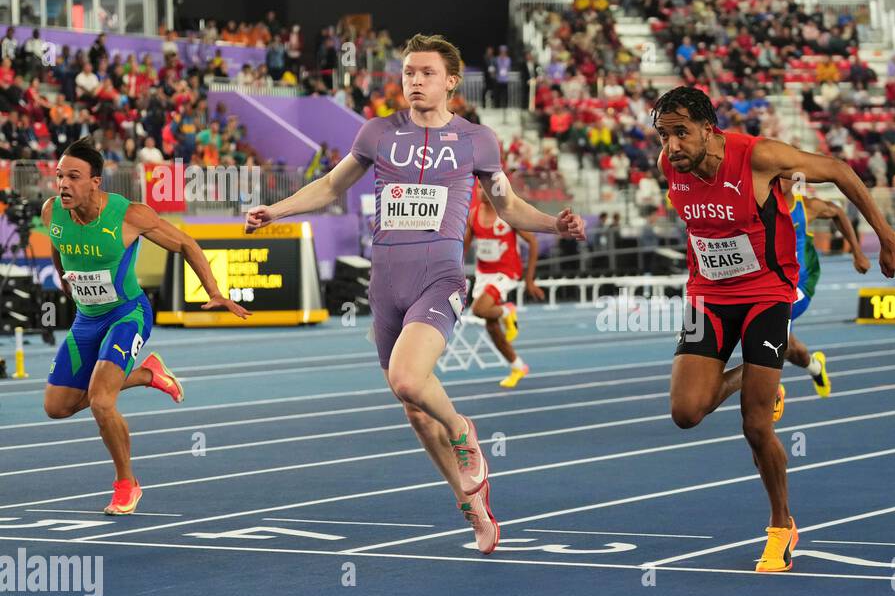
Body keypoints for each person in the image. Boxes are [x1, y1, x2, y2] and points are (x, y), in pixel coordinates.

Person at [244, 34, 586, 554]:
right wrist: (276, 210)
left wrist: (555, 225)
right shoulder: (378, 132)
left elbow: (510, 206)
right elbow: (331, 187)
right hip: (386, 285)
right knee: (412, 409)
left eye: (426, 73)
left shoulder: (477, 140)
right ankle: (471, 504)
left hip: (439, 278)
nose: (415, 82)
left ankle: (462, 428)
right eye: (408, 73)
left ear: (451, 80)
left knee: (409, 379)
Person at [655, 85, 895, 573]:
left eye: (681, 133)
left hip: (768, 293)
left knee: (755, 424)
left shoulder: (759, 157)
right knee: (686, 411)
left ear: (710, 128)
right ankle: (759, 368)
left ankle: (780, 523)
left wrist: (884, 237)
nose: (672, 147)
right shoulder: (672, 167)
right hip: (706, 294)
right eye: (664, 137)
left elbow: (839, 171)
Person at [43, 138, 250, 513]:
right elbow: (58, 245)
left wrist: (215, 291)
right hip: (86, 319)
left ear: (95, 181)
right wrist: (63, 279)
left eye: (73, 177)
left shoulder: (129, 215)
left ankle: (126, 484)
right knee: (56, 407)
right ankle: (146, 373)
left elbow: (186, 243)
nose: (63, 185)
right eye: (59, 176)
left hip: (126, 314)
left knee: (102, 402)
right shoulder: (51, 213)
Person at [778, 176, 873, 397]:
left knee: (770, 319)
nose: (779, 178)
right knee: (790, 348)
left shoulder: (806, 207)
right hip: (773, 285)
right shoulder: (760, 206)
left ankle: (771, 391)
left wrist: (857, 252)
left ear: (794, 178)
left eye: (784, 174)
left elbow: (838, 211)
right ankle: (816, 367)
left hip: (801, 284)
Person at [464, 183, 544, 388]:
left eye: (485, 187)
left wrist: (529, 279)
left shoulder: (507, 214)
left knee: (479, 309)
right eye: (478, 188)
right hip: (484, 274)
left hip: (506, 272)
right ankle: (518, 366)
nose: (481, 191)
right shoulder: (473, 216)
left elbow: (533, 242)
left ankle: (508, 311)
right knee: (491, 326)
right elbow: (462, 249)